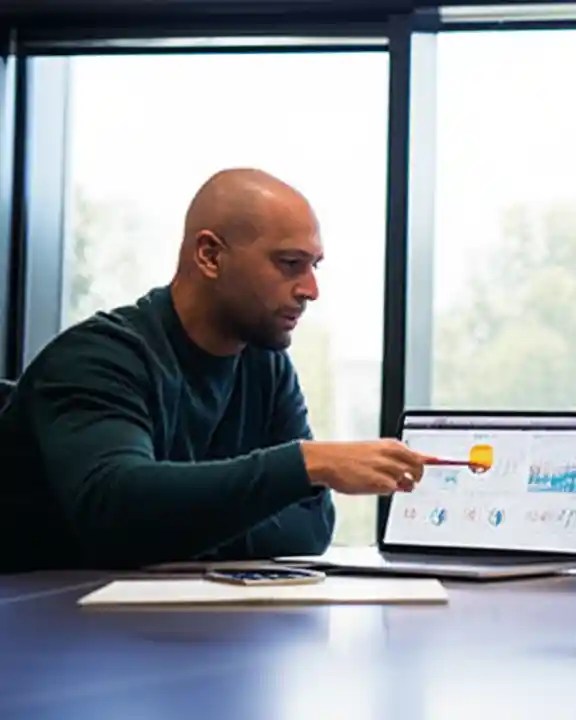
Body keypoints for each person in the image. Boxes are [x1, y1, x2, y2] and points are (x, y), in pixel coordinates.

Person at [0, 168, 428, 573]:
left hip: (148, 624)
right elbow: (115, 509)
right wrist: (305, 464)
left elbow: (309, 527)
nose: (311, 291)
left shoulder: (266, 366)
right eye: (290, 263)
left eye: (314, 265)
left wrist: (175, 529)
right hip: (40, 630)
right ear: (209, 256)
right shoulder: (97, 358)